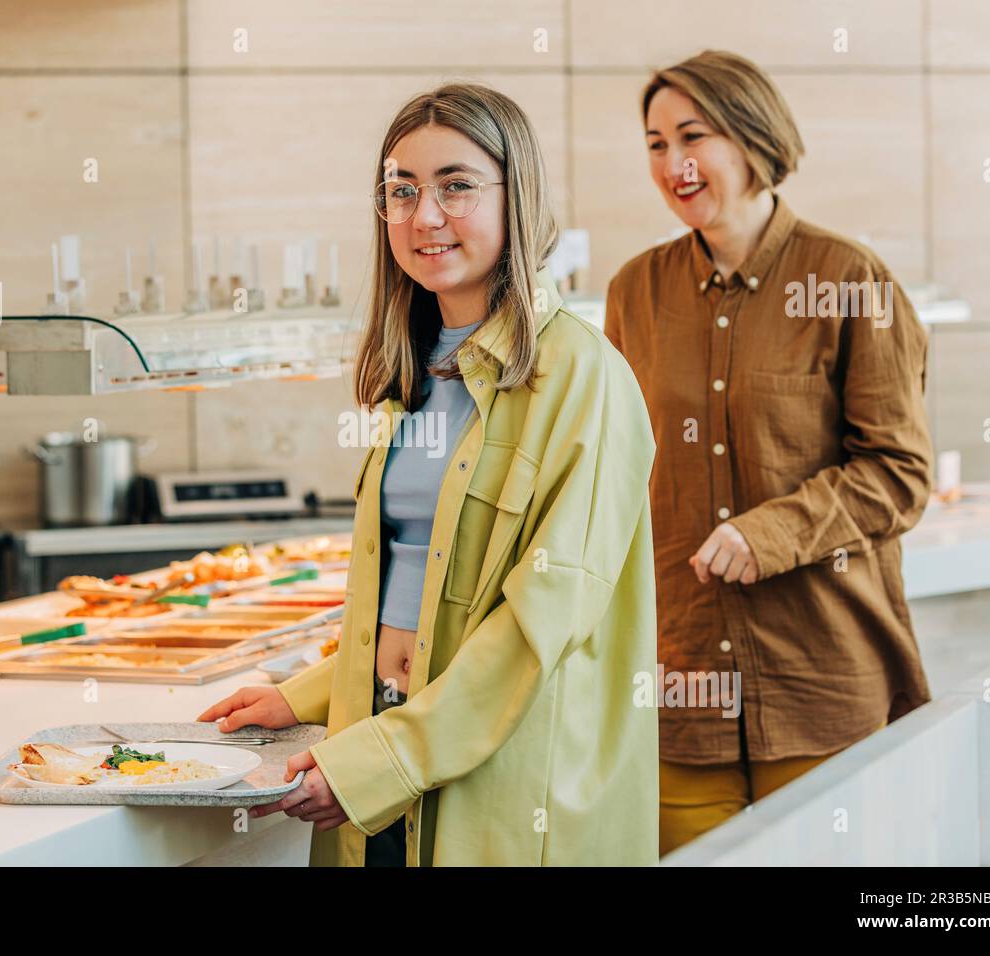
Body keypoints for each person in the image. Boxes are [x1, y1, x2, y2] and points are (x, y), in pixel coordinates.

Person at [199, 82, 658, 866]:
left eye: (456, 186)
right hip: (378, 744)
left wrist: (382, 760)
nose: (425, 217)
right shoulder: (411, 374)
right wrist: (307, 697)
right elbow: (403, 590)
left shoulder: (585, 378)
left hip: (500, 780)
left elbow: (535, 628)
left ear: (519, 198)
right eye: (401, 191)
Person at [602, 50, 933, 856]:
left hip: (819, 677)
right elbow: (613, 474)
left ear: (752, 136)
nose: (672, 163)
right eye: (654, 143)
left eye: (693, 135)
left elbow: (899, 473)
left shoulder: (850, 280)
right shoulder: (632, 292)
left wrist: (769, 534)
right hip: (679, 692)